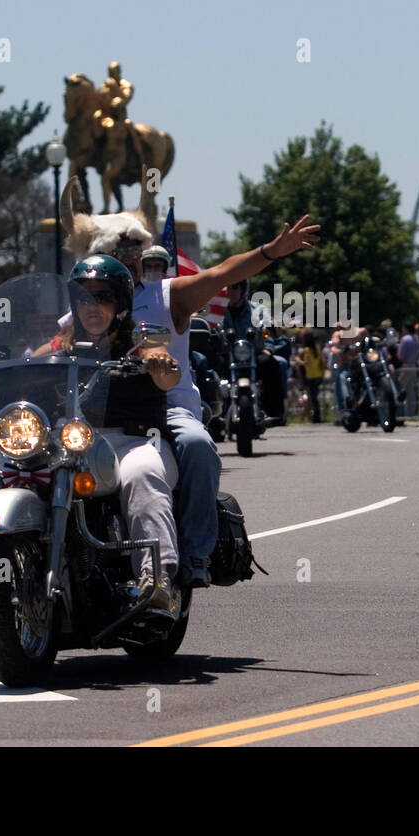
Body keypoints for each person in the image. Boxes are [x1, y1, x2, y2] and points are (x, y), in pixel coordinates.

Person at [95, 211, 319, 588]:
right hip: (104, 409)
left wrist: (271, 251)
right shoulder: (89, 305)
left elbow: (223, 274)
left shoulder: (168, 294)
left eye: (136, 249)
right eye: (120, 250)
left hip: (168, 404)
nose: (130, 257)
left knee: (198, 444)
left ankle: (197, 551)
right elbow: (50, 347)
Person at [19, 255, 183, 619]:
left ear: (122, 301)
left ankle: (156, 579)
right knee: (13, 468)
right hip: (70, 442)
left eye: (103, 296)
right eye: (84, 297)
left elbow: (167, 373)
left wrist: (161, 364)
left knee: (143, 475)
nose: (92, 306)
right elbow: (22, 368)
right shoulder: (61, 346)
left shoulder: (140, 341)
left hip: (130, 442)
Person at [221, 279, 288, 420]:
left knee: (274, 364)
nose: (230, 292)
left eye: (234, 287)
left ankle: (274, 412)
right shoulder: (218, 311)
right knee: (211, 370)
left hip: (253, 354)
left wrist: (268, 348)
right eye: (228, 288)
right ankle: (213, 413)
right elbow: (214, 329)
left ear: (243, 290)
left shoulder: (258, 310)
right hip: (227, 354)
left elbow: (266, 331)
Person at [300, 329, 325, 423]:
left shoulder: (307, 350)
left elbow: (308, 363)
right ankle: (316, 416)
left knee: (313, 398)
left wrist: (301, 362)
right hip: (318, 375)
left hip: (311, 376)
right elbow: (322, 362)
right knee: (314, 397)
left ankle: (316, 417)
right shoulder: (317, 348)